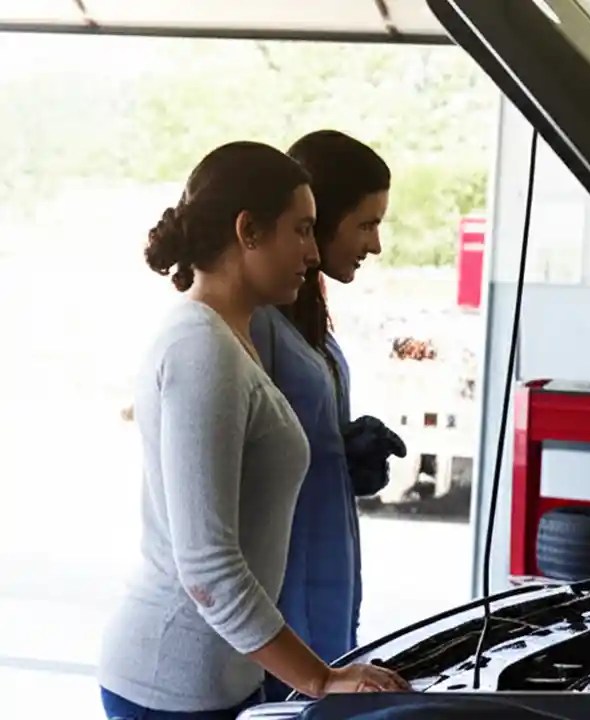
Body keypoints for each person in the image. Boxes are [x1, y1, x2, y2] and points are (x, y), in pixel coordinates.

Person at [98, 141, 409, 719]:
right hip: (172, 685)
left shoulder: (231, 340)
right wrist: (320, 678)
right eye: (303, 230)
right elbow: (208, 565)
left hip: (222, 678)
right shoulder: (200, 349)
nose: (314, 253)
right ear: (248, 232)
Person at [251, 130, 396, 701]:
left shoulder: (308, 318)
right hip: (280, 609)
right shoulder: (259, 326)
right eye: (365, 224)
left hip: (323, 596)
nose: (377, 244)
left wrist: (345, 452)